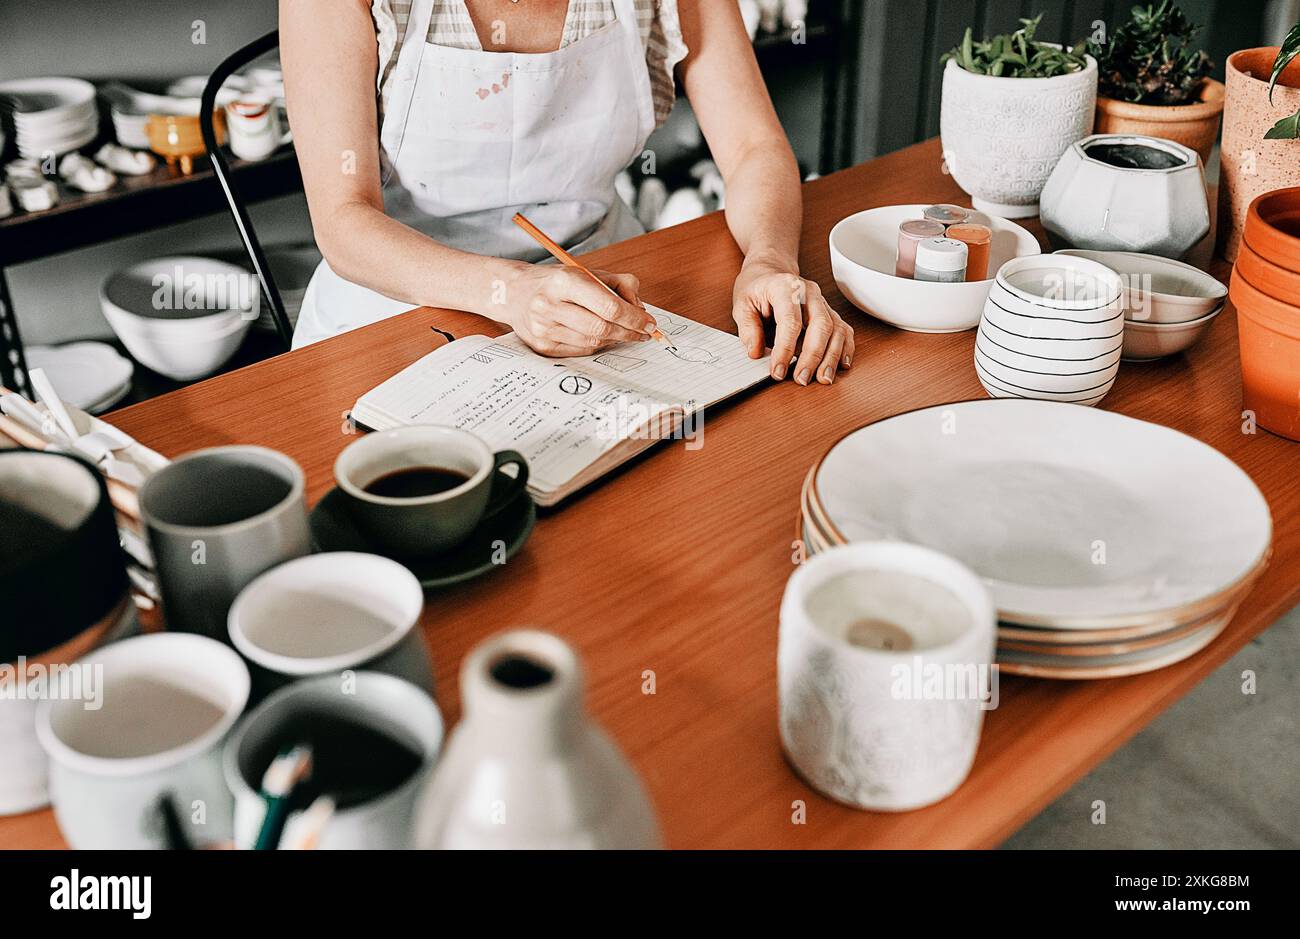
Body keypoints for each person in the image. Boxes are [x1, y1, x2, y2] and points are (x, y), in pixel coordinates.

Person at [283, 0, 854, 385]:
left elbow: (754, 145)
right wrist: (511, 293)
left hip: (602, 287)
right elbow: (343, 219)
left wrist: (769, 260)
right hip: (394, 308)